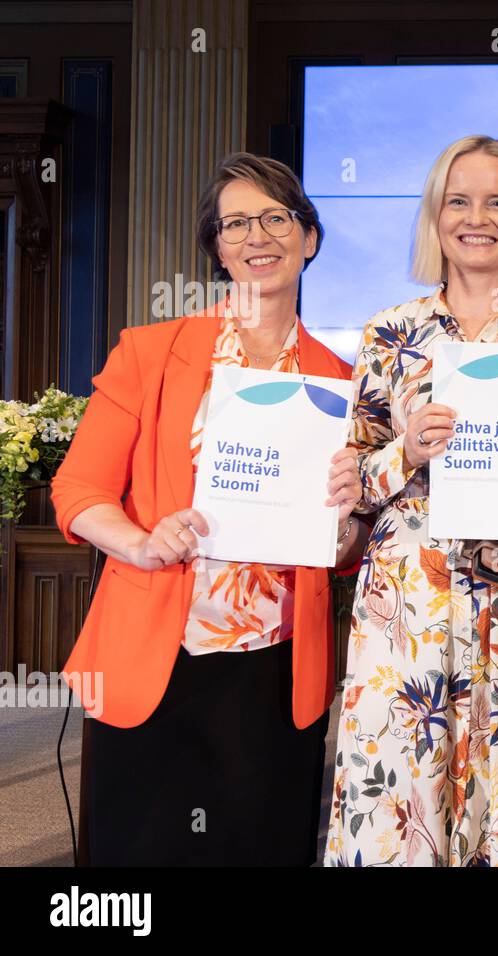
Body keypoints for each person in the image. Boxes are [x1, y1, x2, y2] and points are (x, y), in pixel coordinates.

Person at [51, 152, 364, 865]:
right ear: (218, 250)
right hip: (156, 652)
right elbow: (79, 491)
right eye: (236, 224)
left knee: (259, 845)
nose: (259, 236)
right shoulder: (151, 351)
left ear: (309, 237)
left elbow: (347, 553)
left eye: (276, 218)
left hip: (273, 668)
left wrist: (346, 528)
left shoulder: (342, 382)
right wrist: (138, 541)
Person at [324, 135, 498, 867]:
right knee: (401, 801)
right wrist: (406, 451)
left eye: (497, 201)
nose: (476, 217)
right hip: (410, 605)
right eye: (458, 200)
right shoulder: (390, 333)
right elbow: (351, 484)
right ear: (435, 216)